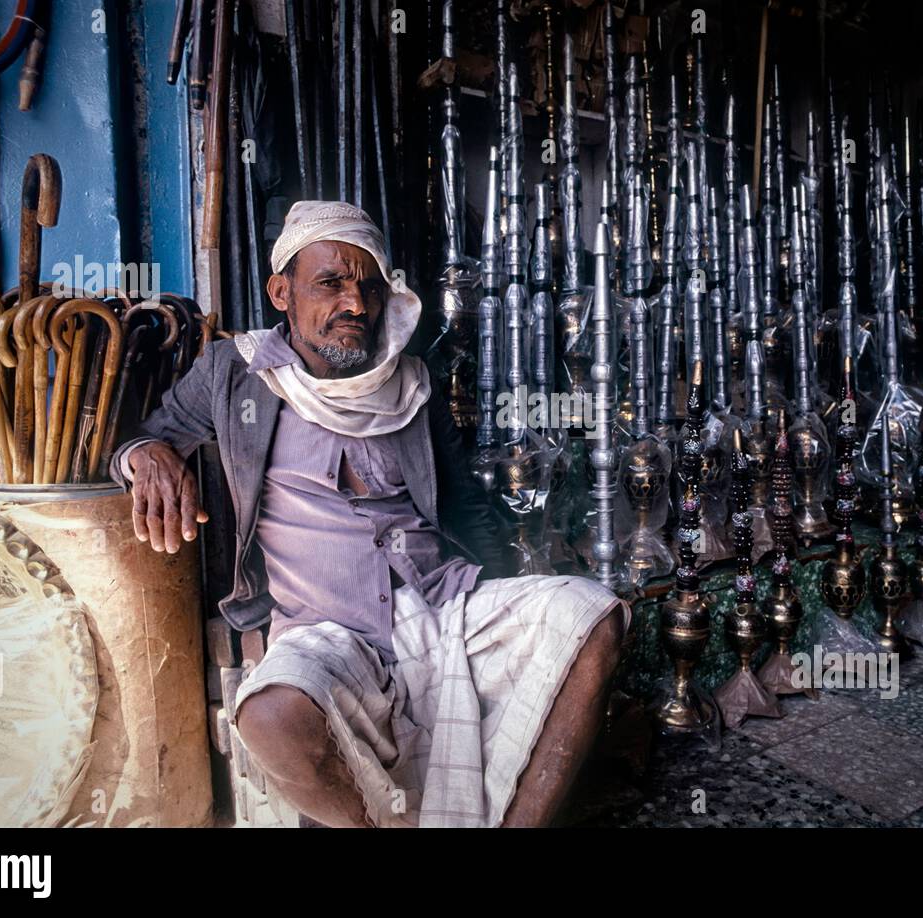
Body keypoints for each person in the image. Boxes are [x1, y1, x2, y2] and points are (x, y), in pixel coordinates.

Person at [112, 202, 626, 827]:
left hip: (441, 604)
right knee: (268, 716)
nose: (354, 303)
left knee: (589, 615)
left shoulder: (411, 380)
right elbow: (144, 435)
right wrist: (149, 457)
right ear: (283, 292)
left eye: (369, 285)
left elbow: (461, 503)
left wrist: (499, 585)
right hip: (324, 626)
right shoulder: (235, 374)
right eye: (330, 283)